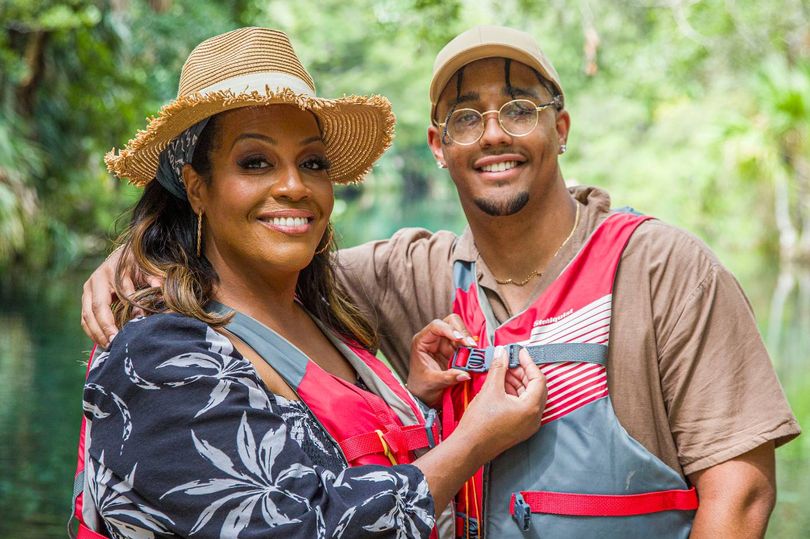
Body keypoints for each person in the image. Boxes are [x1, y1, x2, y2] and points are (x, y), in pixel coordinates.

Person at [81, 25, 800, 538]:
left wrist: (413, 396)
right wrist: (136, 260)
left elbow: (741, 495)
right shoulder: (399, 274)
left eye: (520, 108)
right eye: (466, 115)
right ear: (439, 145)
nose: (494, 133)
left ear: (562, 127)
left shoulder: (666, 268)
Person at [70, 27, 549, 539]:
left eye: (312, 163)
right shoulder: (158, 354)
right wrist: (473, 442)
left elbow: (322, 450)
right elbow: (293, 527)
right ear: (197, 188)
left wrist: (410, 401)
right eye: (256, 163)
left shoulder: (322, 313)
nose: (294, 186)